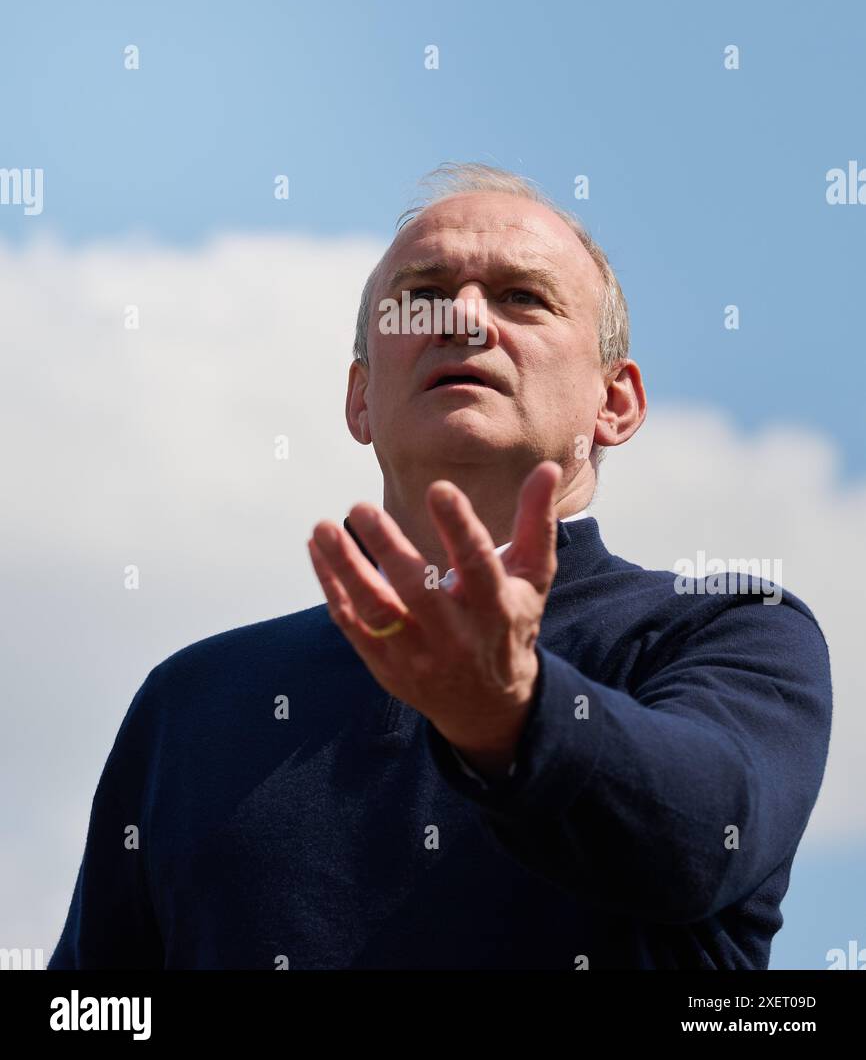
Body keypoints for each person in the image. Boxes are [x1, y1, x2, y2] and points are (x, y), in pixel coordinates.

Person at [48, 162, 832, 970]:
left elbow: (702, 841)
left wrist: (514, 717)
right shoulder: (195, 699)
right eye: (419, 296)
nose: (461, 320)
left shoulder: (729, 630)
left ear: (616, 403)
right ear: (360, 399)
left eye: (522, 297)